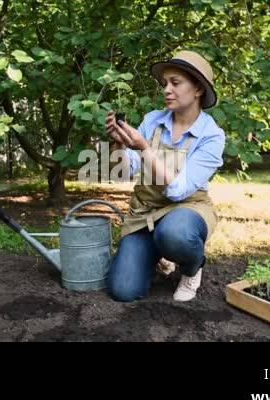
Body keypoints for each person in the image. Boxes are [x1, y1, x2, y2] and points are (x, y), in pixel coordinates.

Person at [104, 50, 225, 302]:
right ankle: (159, 255)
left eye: (175, 83)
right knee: (122, 290)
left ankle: (192, 268)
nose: (166, 89)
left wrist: (145, 148)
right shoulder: (152, 121)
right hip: (145, 214)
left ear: (198, 89)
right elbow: (123, 173)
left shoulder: (211, 136)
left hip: (186, 211)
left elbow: (179, 190)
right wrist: (117, 145)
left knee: (175, 233)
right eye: (165, 83)